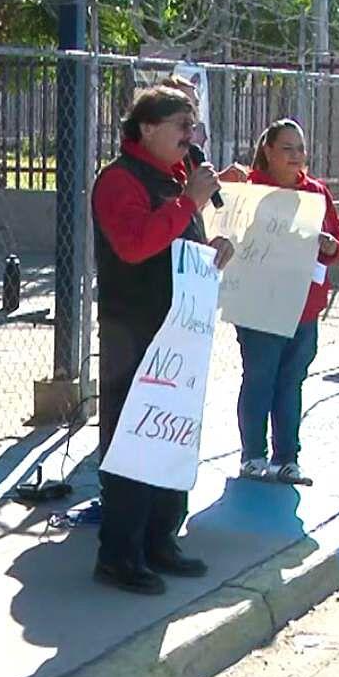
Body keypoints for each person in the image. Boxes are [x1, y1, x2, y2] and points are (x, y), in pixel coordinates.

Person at [91, 86, 233, 595]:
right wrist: (188, 201)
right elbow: (135, 245)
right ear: (148, 127)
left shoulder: (175, 180)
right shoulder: (119, 180)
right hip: (134, 331)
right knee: (134, 441)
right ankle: (119, 554)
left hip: (177, 332)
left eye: (194, 128)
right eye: (182, 127)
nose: (191, 138)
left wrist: (210, 250)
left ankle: (160, 538)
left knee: (171, 437)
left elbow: (173, 241)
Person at [235, 119, 339, 485]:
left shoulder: (316, 192)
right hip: (259, 306)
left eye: (300, 148)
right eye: (287, 148)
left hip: (304, 308)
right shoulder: (249, 191)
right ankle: (253, 457)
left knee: (291, 382)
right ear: (268, 151)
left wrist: (331, 245)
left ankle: (287, 459)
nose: (296, 156)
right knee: (259, 379)